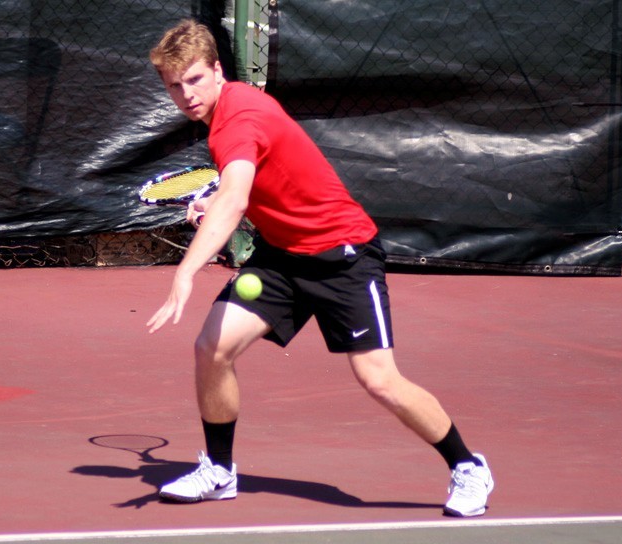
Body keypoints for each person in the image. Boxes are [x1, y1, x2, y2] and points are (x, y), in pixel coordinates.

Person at [146, 19, 494, 517]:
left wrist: (185, 272)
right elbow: (247, 189)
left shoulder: (239, 120)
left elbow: (237, 197)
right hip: (283, 256)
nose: (186, 94)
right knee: (212, 349)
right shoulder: (229, 114)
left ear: (217, 71)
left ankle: (468, 466)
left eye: (195, 79)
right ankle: (220, 471)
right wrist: (216, 202)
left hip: (343, 257)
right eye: (175, 86)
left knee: (379, 380)